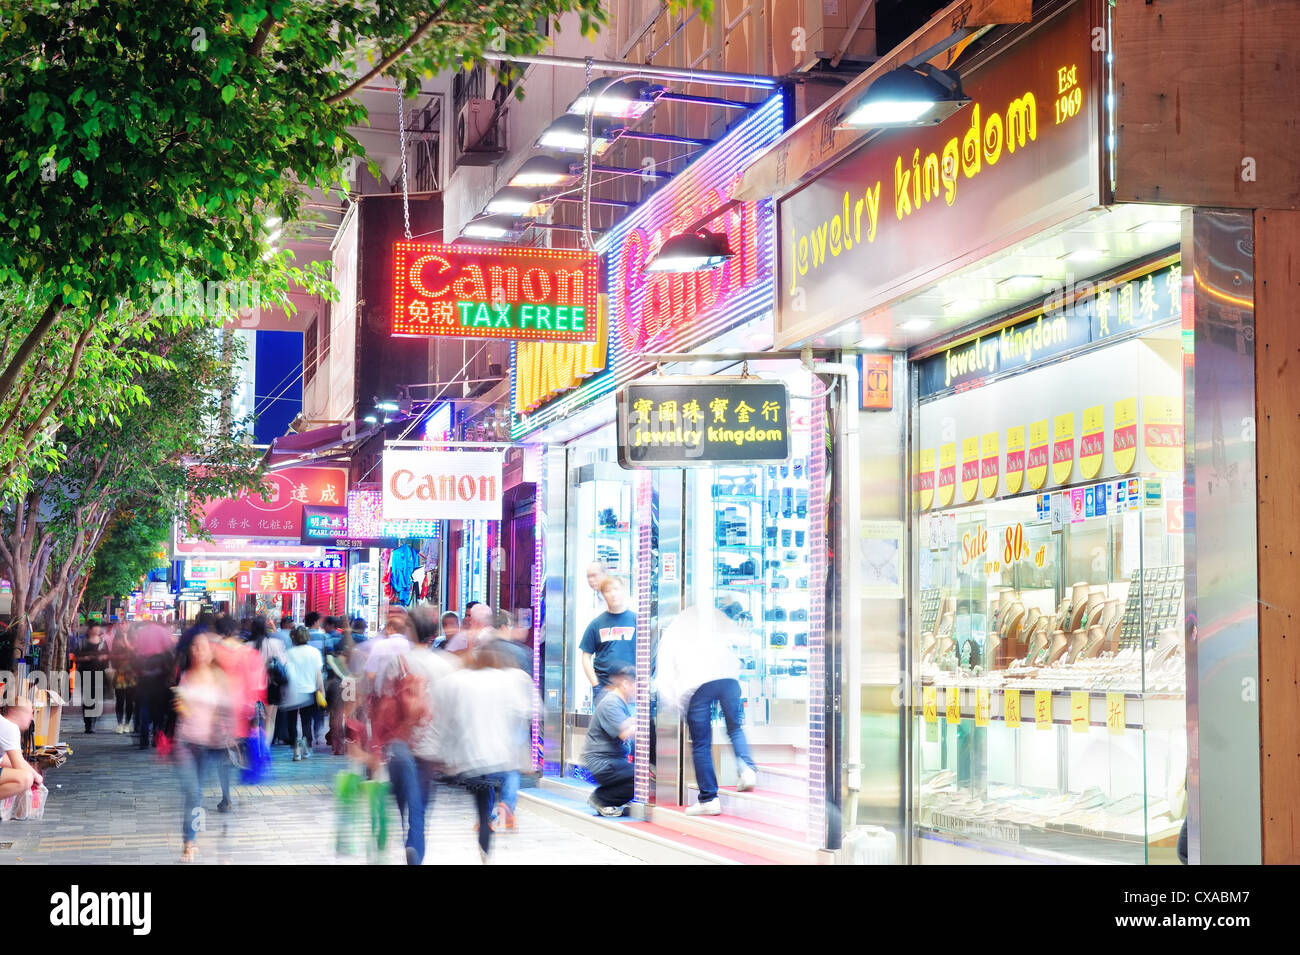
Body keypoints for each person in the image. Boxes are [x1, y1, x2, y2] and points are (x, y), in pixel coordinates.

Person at [656, 606, 758, 816]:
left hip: (697, 685)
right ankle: (747, 768)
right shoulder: (710, 617)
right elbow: (741, 639)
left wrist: (674, 705)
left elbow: (664, 676)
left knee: (701, 744)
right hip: (729, 677)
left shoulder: (672, 632)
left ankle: (709, 798)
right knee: (734, 728)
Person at [437, 641, 534, 862]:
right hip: (501, 756)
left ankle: (485, 833)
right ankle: (506, 806)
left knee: (482, 797)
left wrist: (447, 754)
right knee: (509, 775)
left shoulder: (463, 681)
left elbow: (451, 718)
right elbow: (523, 713)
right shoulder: (510, 680)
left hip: (472, 759)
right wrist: (523, 753)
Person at [378, 606, 458, 864]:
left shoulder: (398, 661)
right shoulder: (448, 664)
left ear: (410, 631)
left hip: (401, 741)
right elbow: (453, 708)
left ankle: (410, 834)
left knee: (404, 794)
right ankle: (415, 843)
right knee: (421, 801)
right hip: (433, 742)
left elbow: (382, 698)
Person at [174, 633, 232, 862]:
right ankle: (189, 841)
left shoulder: (219, 678)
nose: (197, 651)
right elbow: (180, 707)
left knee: (196, 796)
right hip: (186, 743)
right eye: (194, 647)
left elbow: (227, 710)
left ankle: (192, 839)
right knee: (193, 792)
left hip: (208, 745)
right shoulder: (185, 675)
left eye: (202, 647)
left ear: (210, 653)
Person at [583, 664, 636, 817]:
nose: (638, 690)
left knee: (639, 776)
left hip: (612, 760)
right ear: (626, 683)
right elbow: (625, 733)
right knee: (640, 778)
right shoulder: (611, 703)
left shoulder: (620, 703)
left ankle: (612, 796)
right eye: (636, 685)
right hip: (603, 762)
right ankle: (602, 799)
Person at [580, 576, 636, 707]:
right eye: (608, 591)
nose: (613, 594)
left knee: (630, 727)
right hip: (605, 690)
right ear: (603, 595)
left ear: (624, 591)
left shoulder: (637, 620)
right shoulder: (596, 624)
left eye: (616, 589)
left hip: (631, 693)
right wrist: (596, 685)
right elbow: (585, 656)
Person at [281, 626, 324, 761]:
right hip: (309, 691)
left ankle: (296, 751)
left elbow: (284, 673)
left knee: (292, 723)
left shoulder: (289, 653)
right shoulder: (315, 652)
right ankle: (306, 749)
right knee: (306, 722)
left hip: (292, 691)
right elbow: (318, 675)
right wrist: (321, 690)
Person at [248, 616, 287, 746]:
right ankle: (265, 747)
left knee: (252, 720)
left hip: (251, 687)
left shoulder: (247, 646)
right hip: (271, 686)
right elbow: (284, 662)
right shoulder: (275, 644)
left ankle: (254, 746)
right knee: (270, 720)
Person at [0, 697, 41, 801]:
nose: (32, 718)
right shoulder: (10, 728)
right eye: (30, 713)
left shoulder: (4, 724)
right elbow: (19, 764)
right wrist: (37, 777)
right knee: (25, 778)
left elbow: (5, 760)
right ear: (17, 712)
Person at [72, 623, 110, 733]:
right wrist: (86, 658)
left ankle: (94, 720)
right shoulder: (82, 642)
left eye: (99, 628)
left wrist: (104, 658)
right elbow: (76, 657)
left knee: (98, 699)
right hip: (86, 674)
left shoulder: (103, 643)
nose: (98, 629)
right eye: (95, 627)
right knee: (88, 699)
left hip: (100, 674)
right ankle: (88, 724)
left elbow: (108, 656)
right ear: (90, 630)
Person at [109, 625, 138, 735]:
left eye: (126, 623)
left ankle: (127, 723)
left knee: (130, 700)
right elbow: (113, 656)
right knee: (120, 700)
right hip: (120, 673)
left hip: (131, 674)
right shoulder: (116, 639)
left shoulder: (134, 638)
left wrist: (126, 641)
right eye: (123, 624)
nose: (124, 625)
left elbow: (135, 654)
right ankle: (119, 723)